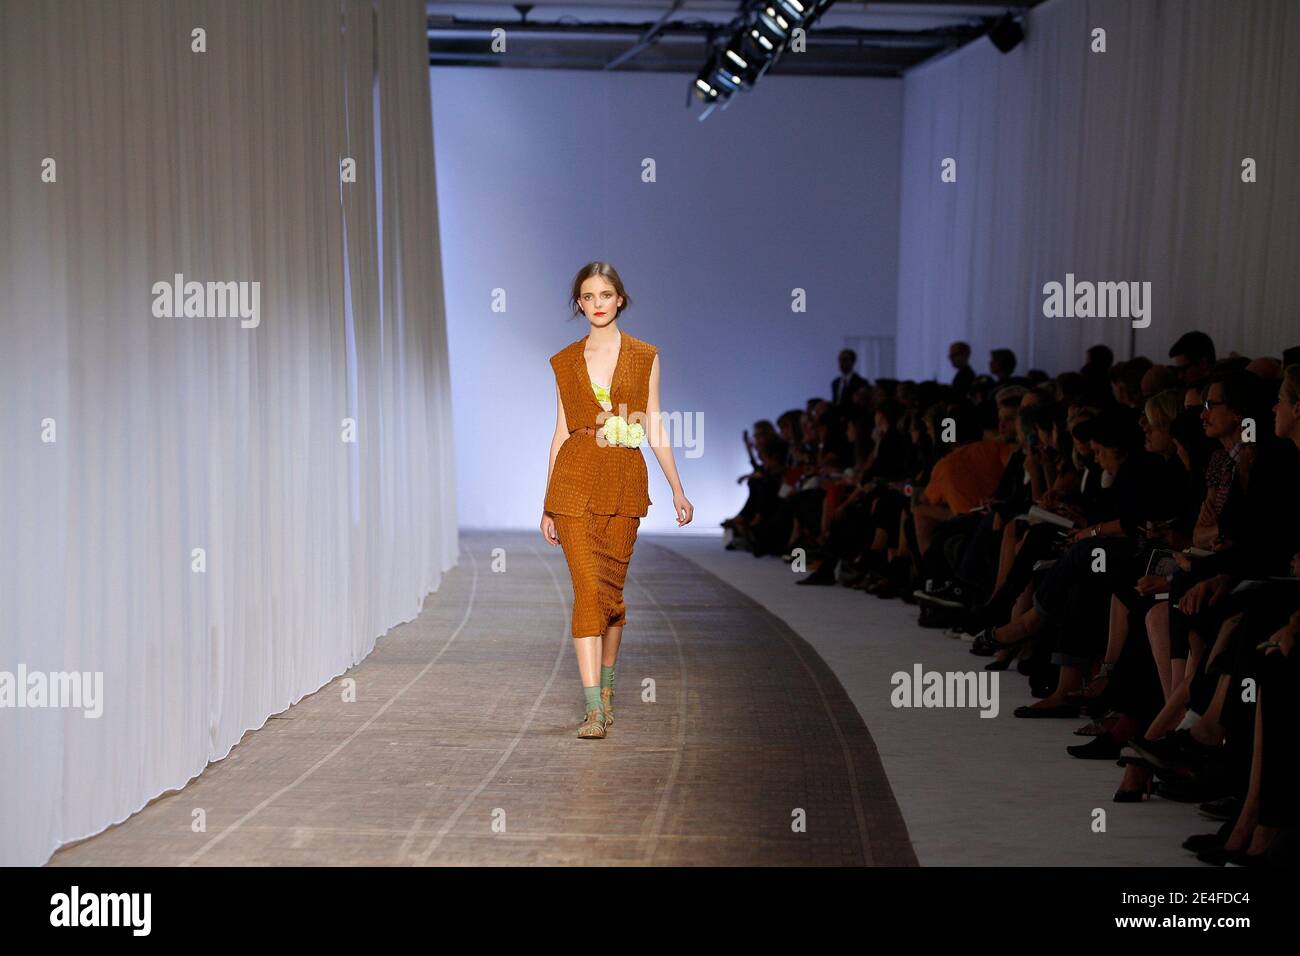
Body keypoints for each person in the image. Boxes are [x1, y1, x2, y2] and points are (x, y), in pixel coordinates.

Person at [540, 262, 694, 739]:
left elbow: (653, 421)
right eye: (589, 296)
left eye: (606, 293)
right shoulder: (565, 361)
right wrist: (547, 502)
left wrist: (677, 486)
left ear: (620, 299)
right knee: (588, 590)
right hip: (573, 482)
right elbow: (561, 430)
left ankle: (607, 690)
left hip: (624, 483)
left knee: (611, 595)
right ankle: (592, 709)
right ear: (580, 304)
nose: (598, 302)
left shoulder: (645, 356)